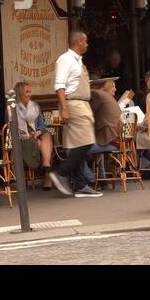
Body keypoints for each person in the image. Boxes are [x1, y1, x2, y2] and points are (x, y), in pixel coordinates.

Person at [48, 31, 102, 198]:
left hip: (80, 103)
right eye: (85, 41)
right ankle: (61, 173)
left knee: (78, 145)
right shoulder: (66, 60)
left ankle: (80, 185)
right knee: (86, 142)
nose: (87, 44)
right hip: (74, 104)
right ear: (79, 41)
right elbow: (60, 86)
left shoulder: (77, 60)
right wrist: (64, 108)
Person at [9, 81, 54, 190]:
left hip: (35, 135)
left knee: (47, 135)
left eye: (30, 91)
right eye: (27, 92)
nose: (30, 94)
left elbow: (42, 126)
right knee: (42, 144)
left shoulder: (35, 106)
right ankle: (47, 177)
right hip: (22, 138)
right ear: (20, 94)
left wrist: (38, 131)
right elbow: (10, 128)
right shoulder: (12, 108)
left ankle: (46, 164)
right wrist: (27, 135)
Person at [82, 78, 123, 185]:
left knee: (75, 151)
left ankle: (91, 179)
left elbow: (89, 115)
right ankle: (102, 178)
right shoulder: (108, 97)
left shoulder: (97, 95)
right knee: (97, 143)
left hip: (112, 140)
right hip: (117, 139)